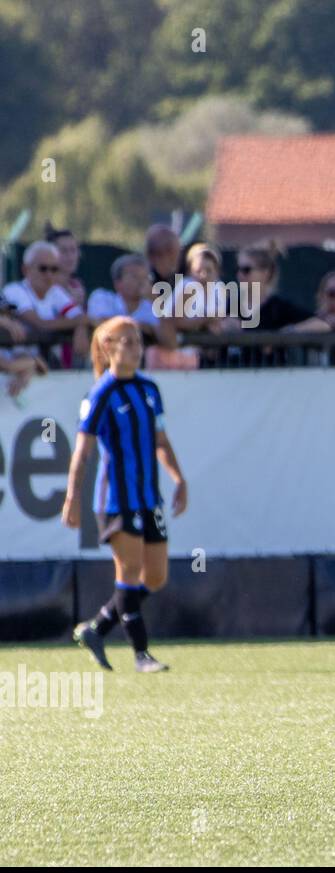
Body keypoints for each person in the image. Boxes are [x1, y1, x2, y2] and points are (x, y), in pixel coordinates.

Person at [61, 317, 187, 674]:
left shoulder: (150, 389)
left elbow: (160, 441)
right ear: (107, 347)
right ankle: (141, 654)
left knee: (156, 576)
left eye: (138, 340)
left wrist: (179, 478)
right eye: (127, 340)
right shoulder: (101, 394)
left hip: (150, 497)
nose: (136, 346)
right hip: (117, 499)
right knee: (129, 571)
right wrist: (72, 497)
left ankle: (97, 628)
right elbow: (82, 452)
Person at [2, 241, 91, 368]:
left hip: (39, 365)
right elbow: (41, 324)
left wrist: (81, 326)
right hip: (13, 366)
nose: (49, 274)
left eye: (54, 269)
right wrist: (81, 321)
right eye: (43, 268)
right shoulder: (14, 291)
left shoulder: (55, 292)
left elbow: (79, 316)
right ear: (25, 269)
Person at [46, 225, 87, 312]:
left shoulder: (77, 286)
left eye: (73, 250)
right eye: (63, 251)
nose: (70, 257)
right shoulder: (44, 287)